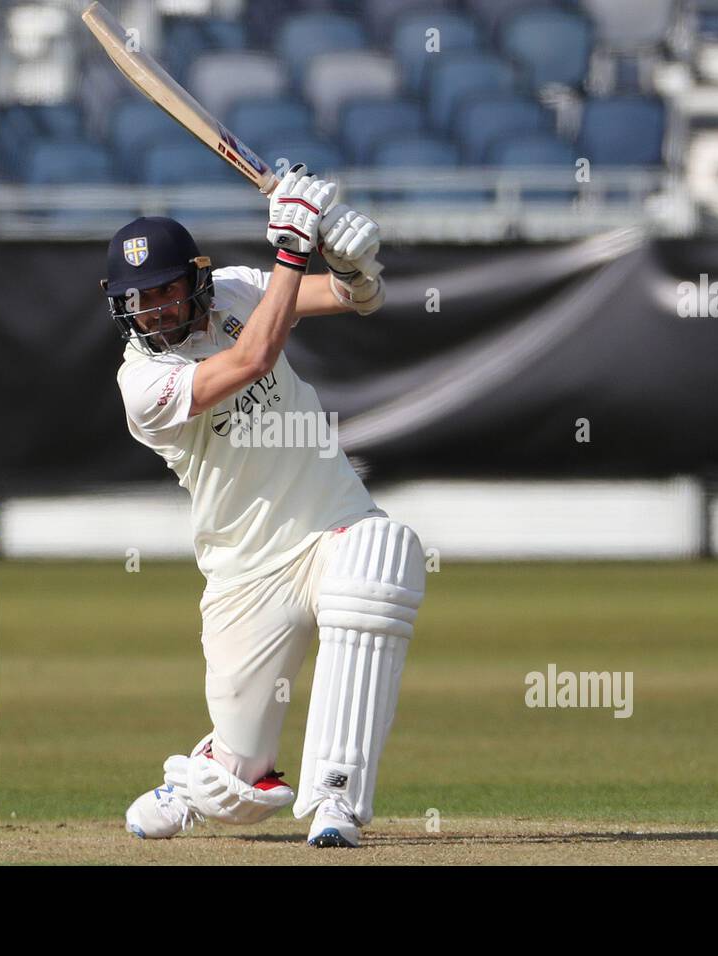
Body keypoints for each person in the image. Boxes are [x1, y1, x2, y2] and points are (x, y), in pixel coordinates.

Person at [103, 164, 426, 848]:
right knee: (240, 791)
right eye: (139, 300)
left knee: (382, 557)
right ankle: (201, 780)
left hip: (331, 521)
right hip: (246, 570)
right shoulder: (143, 384)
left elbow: (351, 299)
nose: (154, 309)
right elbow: (251, 361)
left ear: (194, 279)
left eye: (164, 291)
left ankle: (337, 800)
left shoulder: (239, 289)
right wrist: (291, 243)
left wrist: (352, 263)